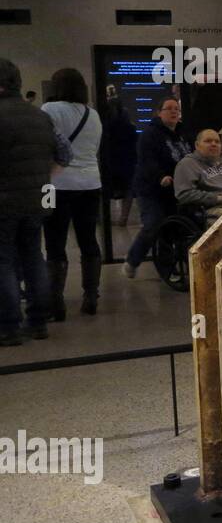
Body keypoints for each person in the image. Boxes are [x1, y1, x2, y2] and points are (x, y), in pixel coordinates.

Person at [0, 57, 57, 346]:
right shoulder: (40, 116)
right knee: (34, 256)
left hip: (5, 201)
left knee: (4, 261)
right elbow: (63, 155)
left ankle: (9, 326)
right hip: (37, 198)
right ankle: (37, 322)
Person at [41, 68, 104, 318]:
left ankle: (56, 301)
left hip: (55, 183)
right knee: (88, 239)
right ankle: (91, 295)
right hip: (90, 183)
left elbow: (47, 145)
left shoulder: (49, 110)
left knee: (54, 242)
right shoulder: (94, 114)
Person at [124, 95, 191, 278]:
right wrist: (161, 176)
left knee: (171, 229)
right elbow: (147, 161)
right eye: (169, 108)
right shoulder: (150, 135)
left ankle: (168, 268)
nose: (173, 112)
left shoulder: (183, 133)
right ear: (158, 113)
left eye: (176, 109)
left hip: (176, 189)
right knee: (153, 224)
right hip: (151, 189)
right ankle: (133, 260)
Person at [173, 129, 222, 220]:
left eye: (217, 142)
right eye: (208, 141)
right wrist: (218, 198)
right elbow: (184, 194)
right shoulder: (187, 164)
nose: (214, 144)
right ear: (197, 145)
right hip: (216, 209)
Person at [101, 94, 138, 226]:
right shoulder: (130, 126)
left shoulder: (105, 126)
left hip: (110, 161)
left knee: (106, 190)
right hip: (127, 161)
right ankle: (123, 218)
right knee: (128, 190)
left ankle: (105, 217)